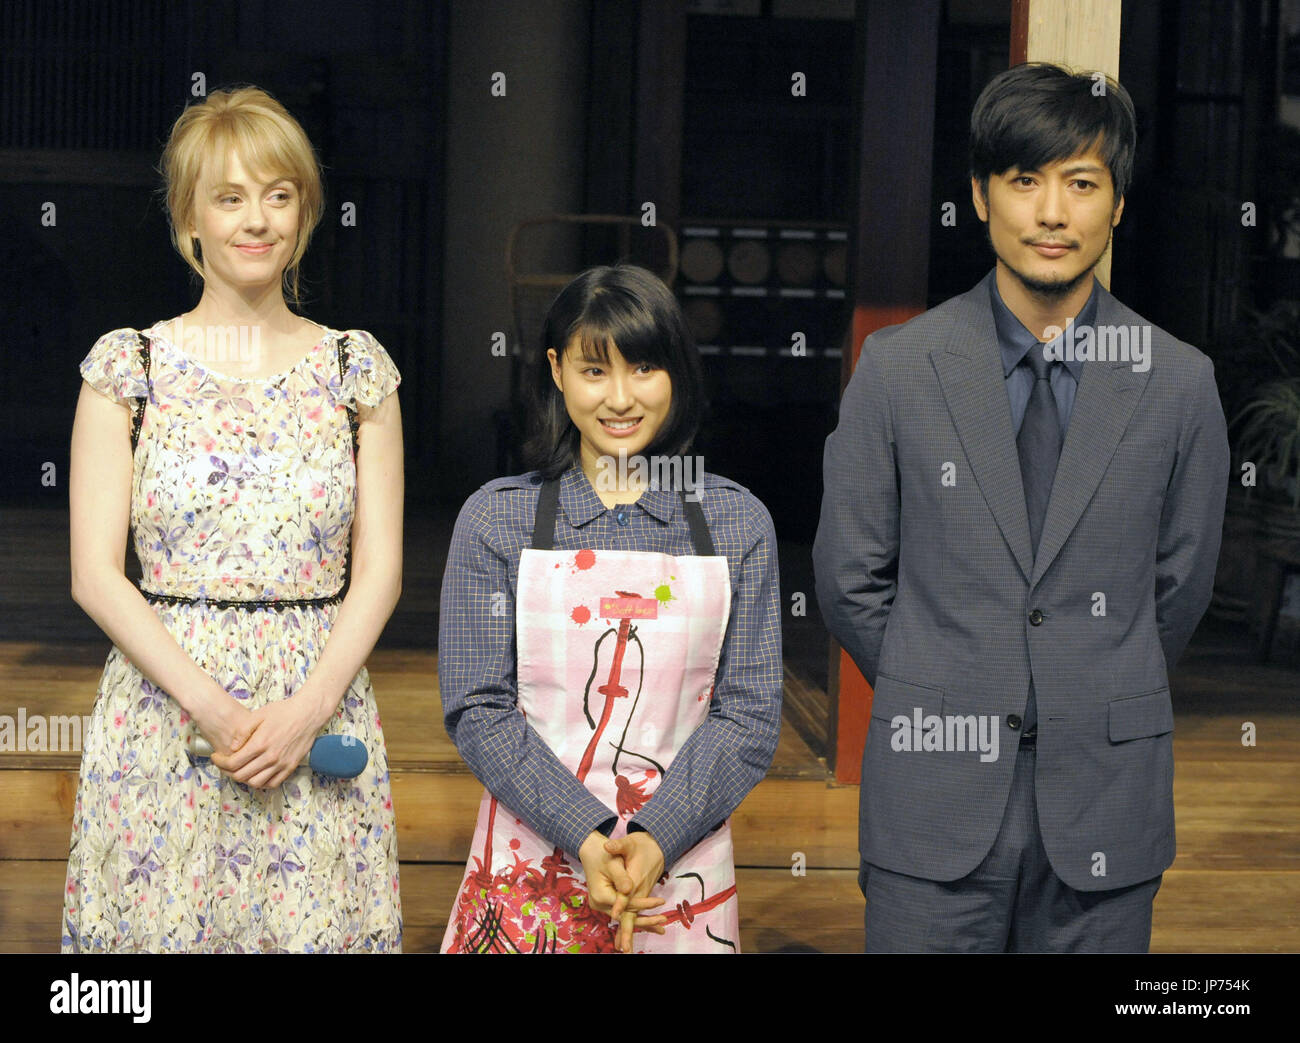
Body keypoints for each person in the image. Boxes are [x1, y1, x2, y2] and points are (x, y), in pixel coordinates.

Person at [814, 63, 1229, 952]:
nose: (1052, 212)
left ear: (1116, 204)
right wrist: (946, 681)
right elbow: (850, 578)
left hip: (1105, 799)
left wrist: (1092, 682)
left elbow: (1181, 584)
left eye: (1082, 183)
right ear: (978, 195)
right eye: (1025, 180)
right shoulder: (898, 368)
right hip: (932, 799)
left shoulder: (1179, 382)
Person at [64, 87, 404, 952]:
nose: (257, 219)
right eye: (230, 197)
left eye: (278, 195)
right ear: (190, 219)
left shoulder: (355, 370)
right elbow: (95, 573)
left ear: (305, 213)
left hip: (318, 706)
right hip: (165, 710)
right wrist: (211, 706)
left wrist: (304, 711)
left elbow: (380, 574)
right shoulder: (126, 366)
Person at [438, 263, 782, 953]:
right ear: (557, 371)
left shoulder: (737, 522)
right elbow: (478, 706)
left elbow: (747, 714)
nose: (620, 398)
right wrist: (587, 832)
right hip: (530, 855)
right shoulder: (496, 520)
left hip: (677, 866)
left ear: (677, 375)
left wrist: (654, 835)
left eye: (644, 368)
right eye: (595, 372)